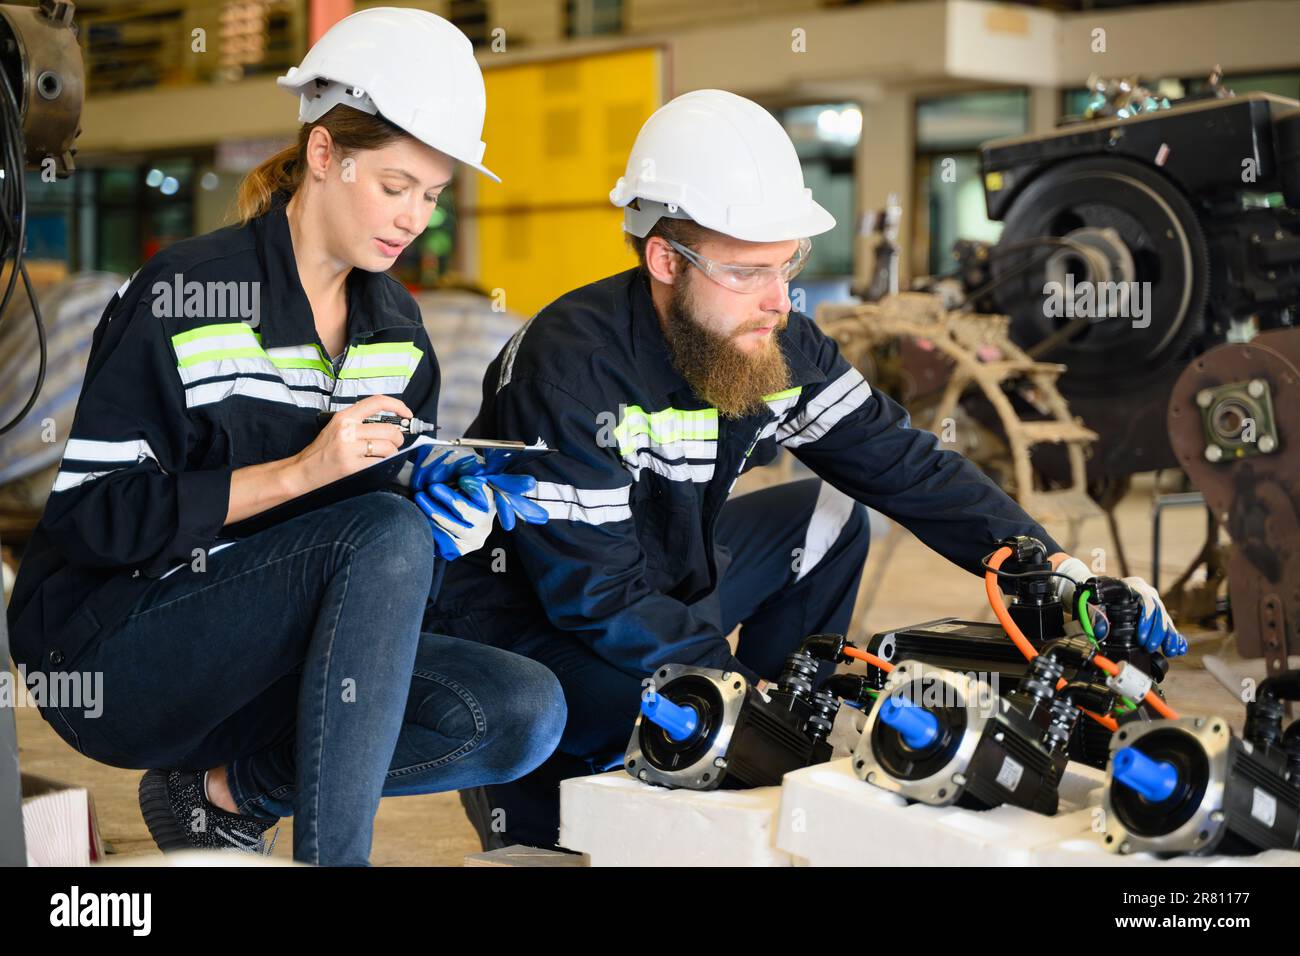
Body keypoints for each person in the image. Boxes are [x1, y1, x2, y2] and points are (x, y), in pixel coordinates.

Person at [426, 89, 1187, 849]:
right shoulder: (570, 371)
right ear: (665, 259)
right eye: (750, 272)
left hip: (660, 582)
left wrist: (1050, 568)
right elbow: (592, 595)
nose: (779, 301)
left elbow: (901, 462)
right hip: (532, 635)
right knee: (645, 725)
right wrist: (723, 684)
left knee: (827, 518)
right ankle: (676, 749)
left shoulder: (769, 341)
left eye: (788, 264)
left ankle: (765, 748)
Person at [5, 8, 564, 866]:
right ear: (324, 155)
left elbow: (355, 540)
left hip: (269, 667)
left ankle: (226, 794)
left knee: (524, 710)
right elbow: (91, 518)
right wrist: (305, 472)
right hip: (117, 657)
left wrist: (436, 506)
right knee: (382, 535)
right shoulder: (188, 293)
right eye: (394, 185)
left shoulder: (397, 333)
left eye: (432, 194)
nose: (415, 217)